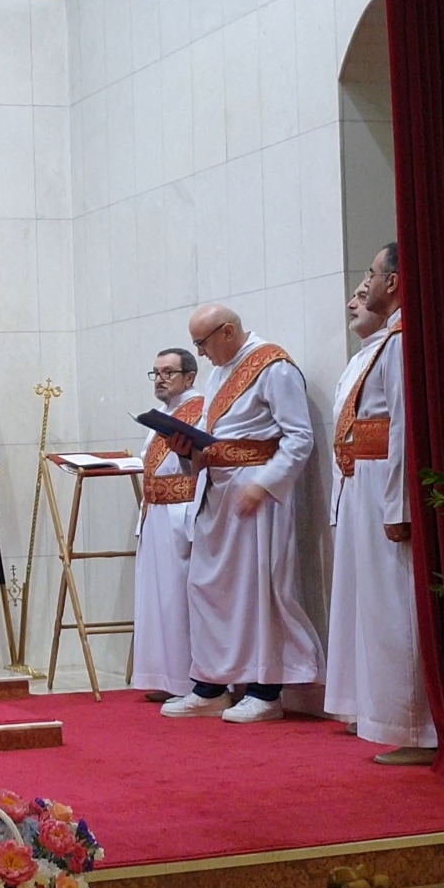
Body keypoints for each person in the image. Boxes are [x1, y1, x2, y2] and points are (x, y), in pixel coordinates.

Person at [161, 304, 322, 723]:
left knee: (258, 593)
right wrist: (187, 452)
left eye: (203, 343)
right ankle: (212, 686)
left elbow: (298, 437)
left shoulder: (273, 366)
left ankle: (266, 690)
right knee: (208, 590)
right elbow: (215, 439)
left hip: (256, 495)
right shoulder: (219, 373)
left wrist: (264, 484)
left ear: (227, 331)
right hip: (217, 491)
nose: (202, 352)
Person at [324, 243, 437, 765]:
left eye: (371, 274)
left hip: (384, 488)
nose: (364, 284)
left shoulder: (401, 339)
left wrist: (399, 506)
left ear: (393, 281)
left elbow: (403, 431)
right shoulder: (388, 339)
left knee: (395, 610)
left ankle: (413, 726)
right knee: (372, 609)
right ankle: (380, 712)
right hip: (364, 482)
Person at [130, 347, 203, 705]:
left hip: (181, 511)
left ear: (189, 377)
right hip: (156, 511)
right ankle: (169, 675)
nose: (160, 379)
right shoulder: (160, 414)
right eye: (156, 372)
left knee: (179, 596)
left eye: (168, 372)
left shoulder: (199, 408)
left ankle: (192, 679)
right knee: (158, 598)